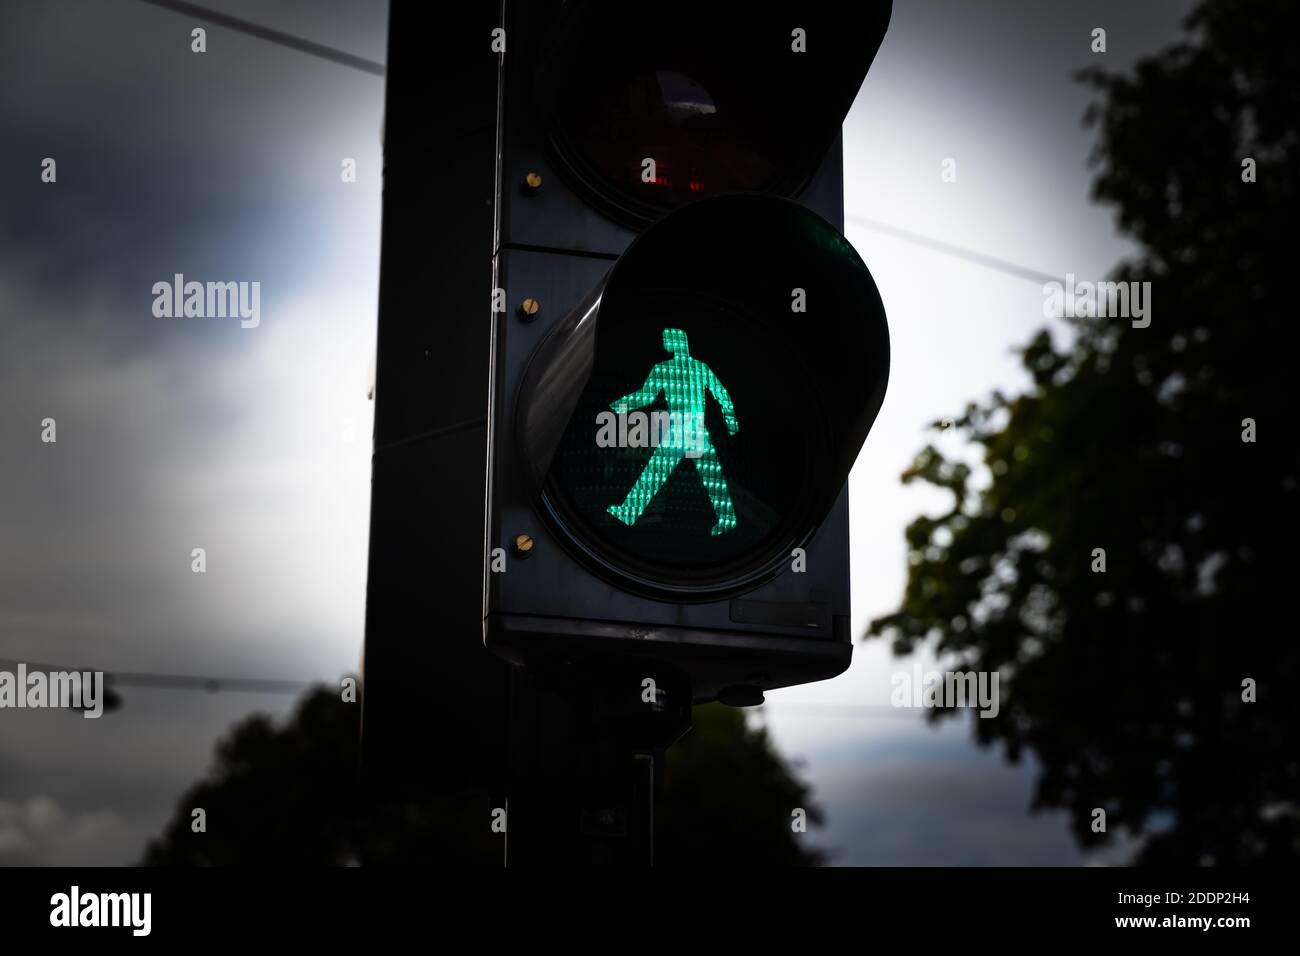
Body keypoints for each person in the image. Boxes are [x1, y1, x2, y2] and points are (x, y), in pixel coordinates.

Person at [606, 328, 739, 535]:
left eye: (667, 339)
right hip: (694, 428)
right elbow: (723, 395)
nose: (665, 342)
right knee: (709, 475)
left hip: (681, 429)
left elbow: (645, 397)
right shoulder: (699, 367)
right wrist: (731, 422)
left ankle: (628, 512)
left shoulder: (664, 369)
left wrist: (620, 405)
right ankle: (726, 519)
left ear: (673, 342)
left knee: (656, 473)